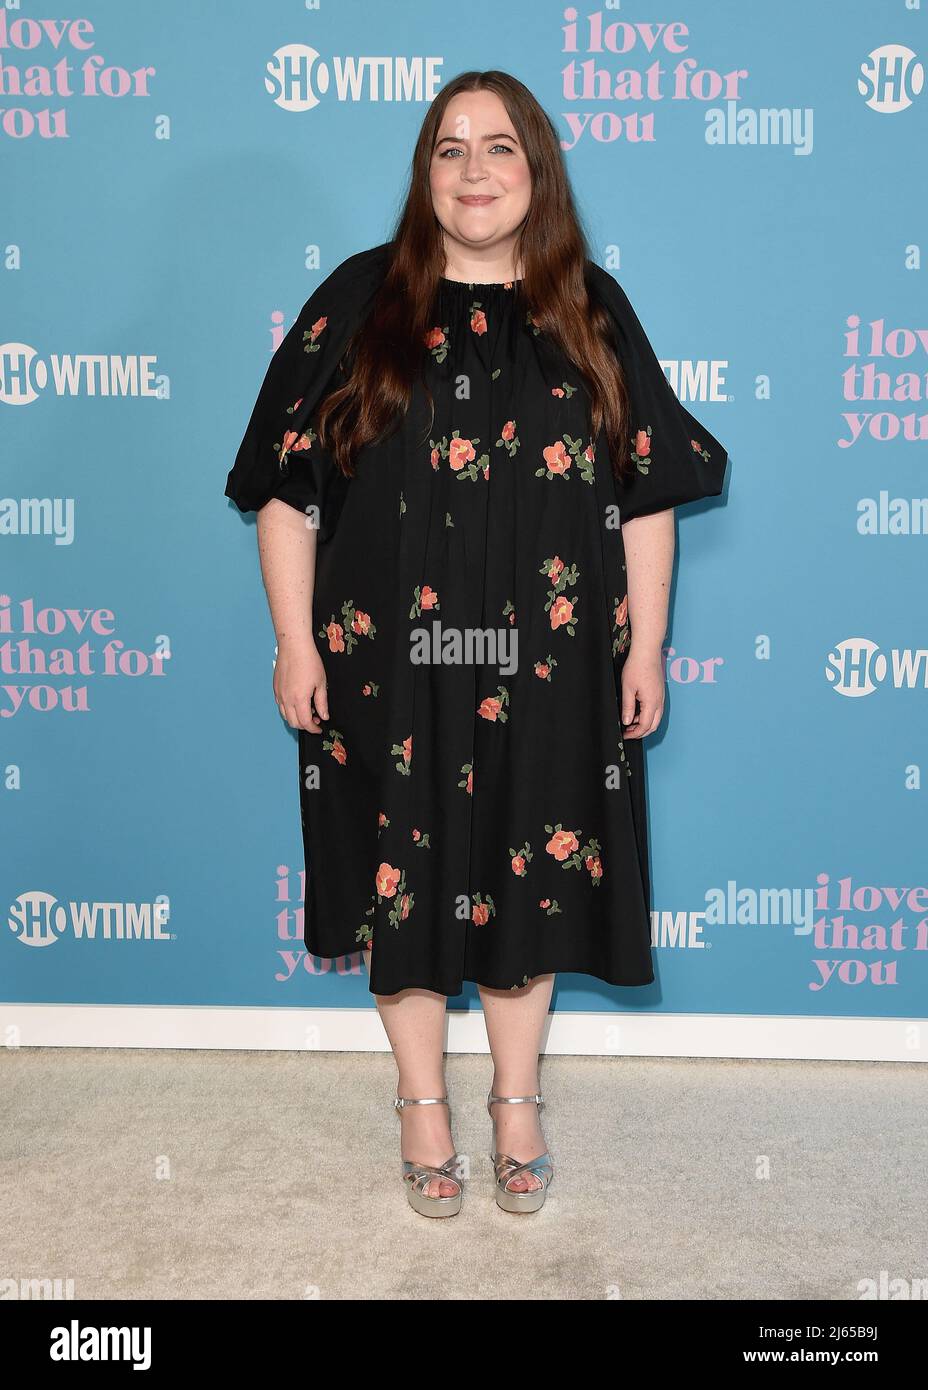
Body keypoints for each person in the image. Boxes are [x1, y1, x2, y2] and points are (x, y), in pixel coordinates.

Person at [224, 71, 729, 1218]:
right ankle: (419, 1105)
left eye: (498, 147)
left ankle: (514, 1102)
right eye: (448, 149)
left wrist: (644, 647)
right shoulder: (359, 302)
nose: (473, 171)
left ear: (535, 169)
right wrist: (292, 645)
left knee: (529, 877)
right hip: (381, 666)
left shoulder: (587, 309)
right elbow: (285, 495)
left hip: (545, 668)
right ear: (424, 172)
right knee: (397, 890)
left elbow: (646, 489)